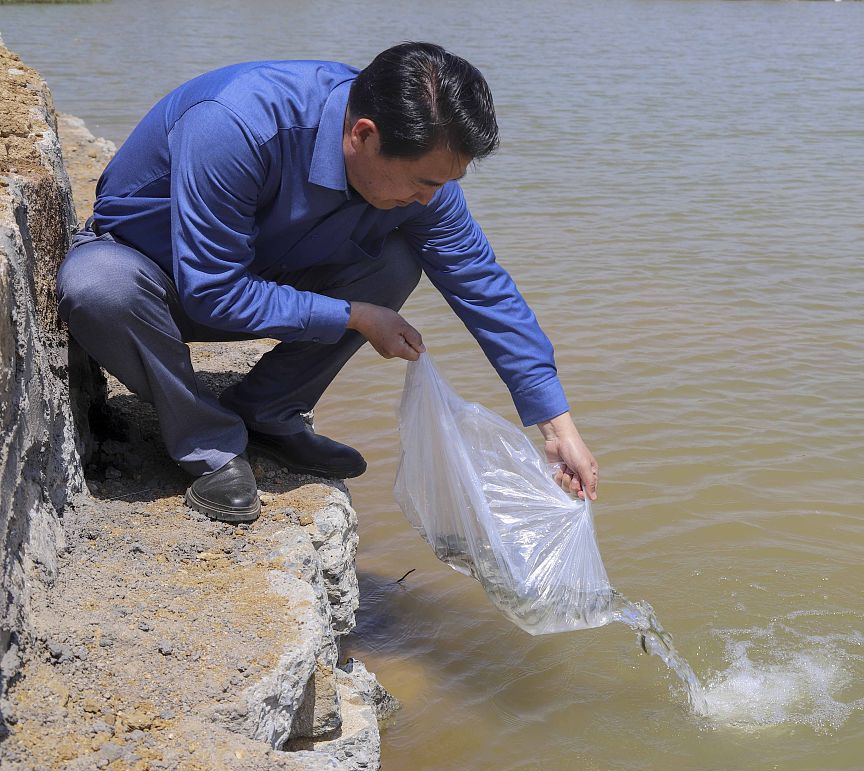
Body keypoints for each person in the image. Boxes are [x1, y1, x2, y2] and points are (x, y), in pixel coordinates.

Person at [57, 42, 599, 523]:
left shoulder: (419, 175)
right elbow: (212, 289)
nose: (432, 199)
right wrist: (355, 315)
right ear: (363, 135)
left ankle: (268, 412)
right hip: (163, 284)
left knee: (396, 259)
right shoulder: (236, 125)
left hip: (259, 273)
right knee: (99, 285)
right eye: (425, 182)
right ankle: (209, 443)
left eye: (446, 183)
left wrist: (557, 425)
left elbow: (482, 286)